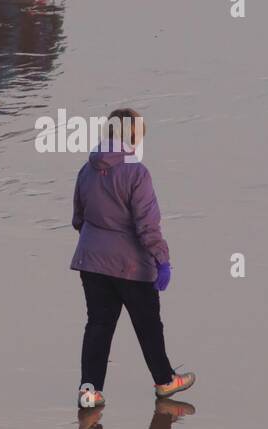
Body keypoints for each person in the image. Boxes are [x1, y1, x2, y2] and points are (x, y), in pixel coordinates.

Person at [70, 108, 195, 411]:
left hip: (92, 262)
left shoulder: (86, 170)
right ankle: (165, 381)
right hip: (132, 266)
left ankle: (89, 390)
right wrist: (162, 261)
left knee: (98, 324)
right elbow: (147, 225)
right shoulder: (137, 173)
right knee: (148, 324)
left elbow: (78, 219)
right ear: (132, 138)